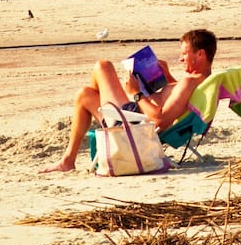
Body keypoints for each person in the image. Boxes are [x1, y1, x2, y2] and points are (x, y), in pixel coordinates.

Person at [40, 28, 216, 173]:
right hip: (135, 116)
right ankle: (68, 160)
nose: (181, 58)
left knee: (102, 66)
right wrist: (167, 76)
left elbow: (161, 119)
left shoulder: (189, 82)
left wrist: (137, 93)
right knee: (84, 94)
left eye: (185, 54)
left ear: (200, 54)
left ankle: (70, 158)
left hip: (131, 123)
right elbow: (173, 102)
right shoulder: (201, 81)